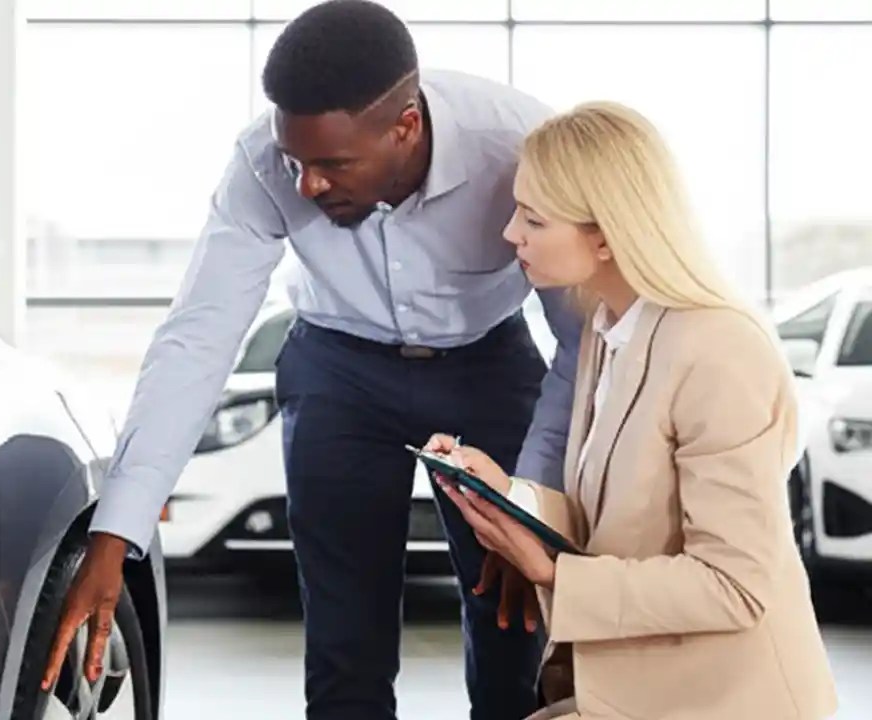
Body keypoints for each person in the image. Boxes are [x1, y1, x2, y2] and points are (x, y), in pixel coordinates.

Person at [43, 1, 583, 717]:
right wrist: (120, 531)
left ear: (406, 127)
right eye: (296, 161)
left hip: (487, 366)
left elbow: (582, 340)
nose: (306, 186)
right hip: (338, 372)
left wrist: (531, 507)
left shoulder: (517, 145)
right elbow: (198, 337)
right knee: (344, 648)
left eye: (333, 164)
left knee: (515, 631)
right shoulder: (261, 162)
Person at [425, 101, 839, 719]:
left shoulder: (720, 351)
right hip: (631, 687)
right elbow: (619, 520)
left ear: (605, 235)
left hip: (723, 700)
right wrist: (510, 497)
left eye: (533, 219)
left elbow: (733, 585)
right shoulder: (609, 327)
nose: (511, 233)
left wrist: (554, 573)